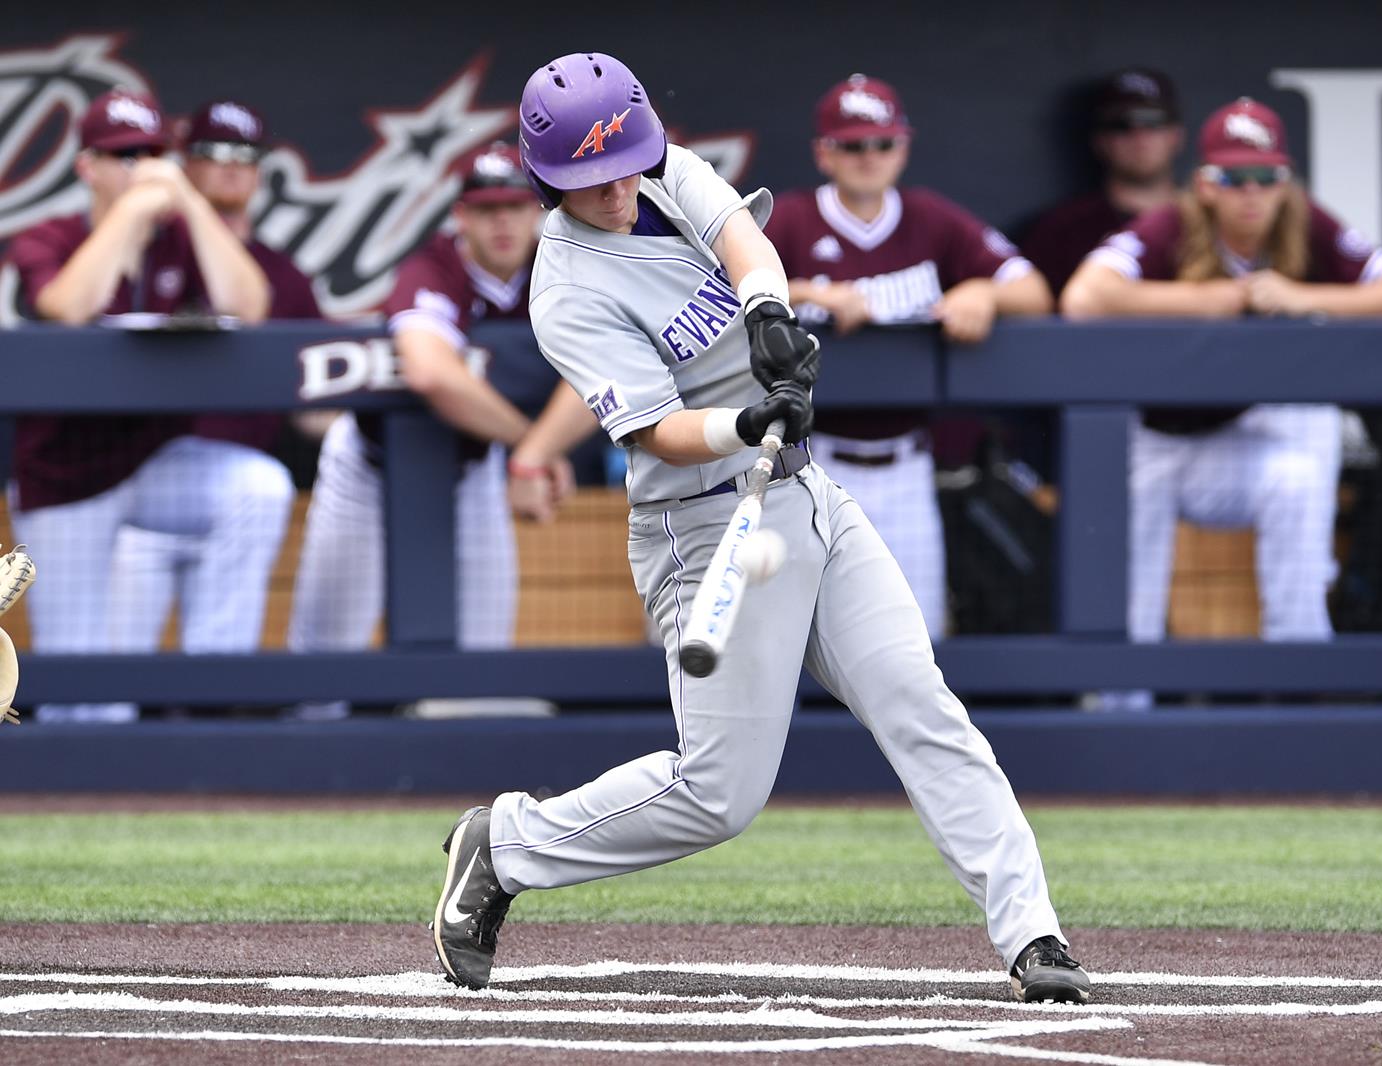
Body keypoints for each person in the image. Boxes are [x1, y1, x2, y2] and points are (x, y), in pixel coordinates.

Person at [429, 52, 1091, 1006]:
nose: (618, 188)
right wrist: (746, 421)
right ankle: (509, 843)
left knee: (921, 703)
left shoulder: (657, 164)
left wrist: (768, 312)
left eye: (626, 164)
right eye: (590, 176)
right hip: (703, 523)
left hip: (806, 494)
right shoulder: (566, 290)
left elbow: (740, 236)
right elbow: (654, 430)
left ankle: (1033, 935)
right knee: (718, 794)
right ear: (548, 178)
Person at [1063, 99, 1382, 702]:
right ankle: (1122, 725)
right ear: (1206, 184)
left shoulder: (1308, 225)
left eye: (1265, 178)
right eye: (1234, 179)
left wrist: (1299, 295)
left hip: (1237, 439)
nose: (1250, 194)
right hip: (1153, 439)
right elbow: (1084, 297)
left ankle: (1301, 690)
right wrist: (1215, 300)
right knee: (1132, 599)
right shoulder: (1169, 226)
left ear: (1285, 182)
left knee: (1298, 471)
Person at [4, 89, 282, 724]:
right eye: (125, 155)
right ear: (87, 166)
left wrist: (187, 196)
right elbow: (67, 307)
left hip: (154, 464)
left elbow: (252, 303)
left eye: (153, 152)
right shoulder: (45, 236)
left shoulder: (184, 234)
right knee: (87, 701)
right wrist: (129, 212)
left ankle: (215, 692)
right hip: (65, 479)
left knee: (258, 489)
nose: (142, 166)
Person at [286, 142, 593, 715]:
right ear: (460, 216)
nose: (501, 221)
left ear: (539, 211)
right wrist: (531, 446)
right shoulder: (435, 265)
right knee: (324, 665)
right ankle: (307, 785)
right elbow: (431, 372)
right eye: (484, 209)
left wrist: (533, 453)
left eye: (513, 205)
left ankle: (460, 793)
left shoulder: (562, 271)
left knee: (478, 667)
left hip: (471, 468)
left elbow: (606, 371)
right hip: (371, 469)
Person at [763, 73, 1054, 638]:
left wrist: (982, 291)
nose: (868, 157)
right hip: (809, 460)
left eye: (882, 143)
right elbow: (715, 298)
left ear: (903, 147)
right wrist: (803, 291)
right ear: (824, 153)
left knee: (914, 640)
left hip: (907, 464)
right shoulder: (792, 219)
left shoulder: (930, 218)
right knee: (792, 637)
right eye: (852, 144)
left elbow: (1036, 292)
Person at [104, 99, 319, 663]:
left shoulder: (285, 277)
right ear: (185, 163)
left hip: (240, 505)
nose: (230, 166)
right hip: (139, 490)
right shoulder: (148, 249)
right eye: (213, 152)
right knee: (107, 693)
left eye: (245, 156)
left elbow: (316, 406)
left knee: (216, 678)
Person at [1022, 68, 1184, 301]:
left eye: (1152, 122)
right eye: (1122, 124)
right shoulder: (1061, 231)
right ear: (1100, 140)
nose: (1139, 136)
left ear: (1176, 135)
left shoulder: (1204, 225)